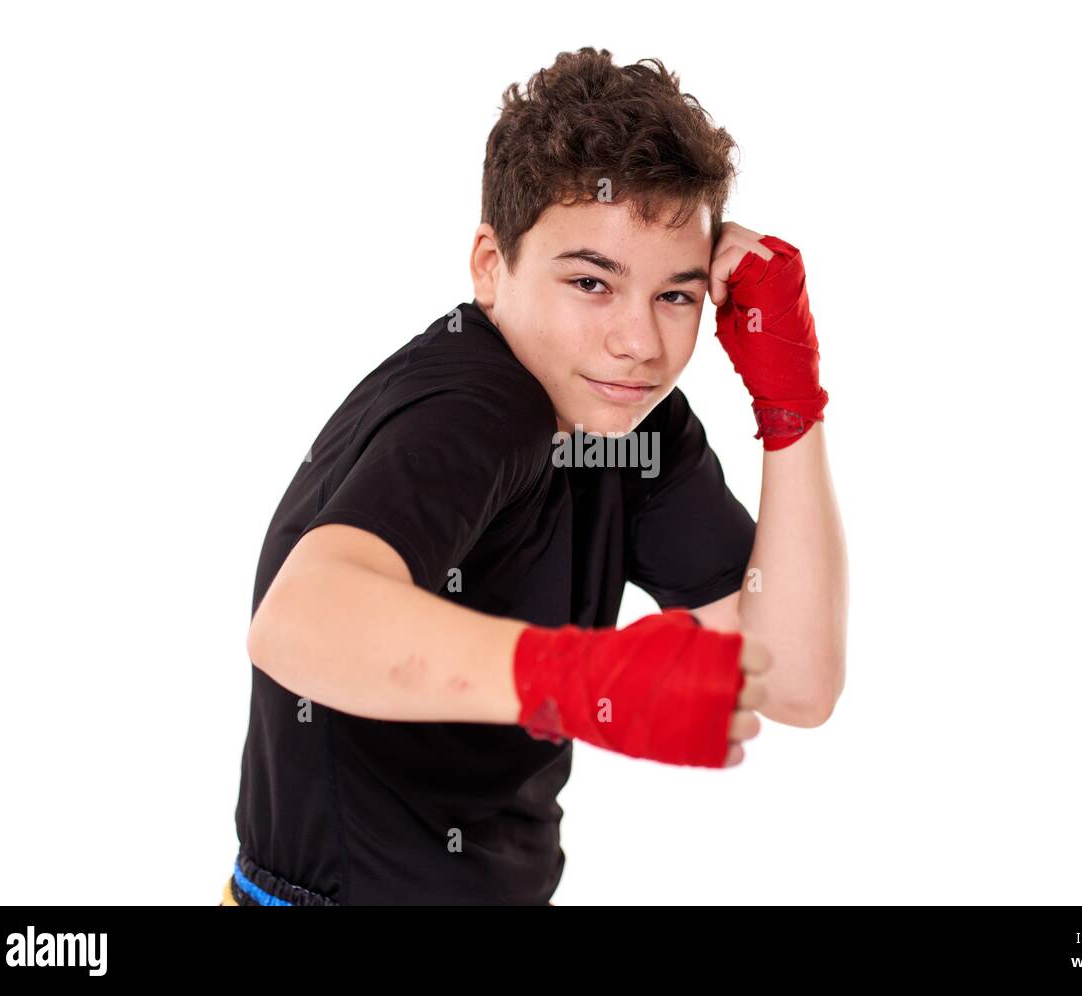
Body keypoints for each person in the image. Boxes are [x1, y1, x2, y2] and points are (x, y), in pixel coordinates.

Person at [221, 46, 847, 906]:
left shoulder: (634, 425)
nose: (641, 341)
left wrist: (791, 409)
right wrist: (579, 678)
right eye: (592, 282)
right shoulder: (476, 403)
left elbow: (796, 680)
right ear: (490, 265)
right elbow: (295, 625)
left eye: (678, 295)